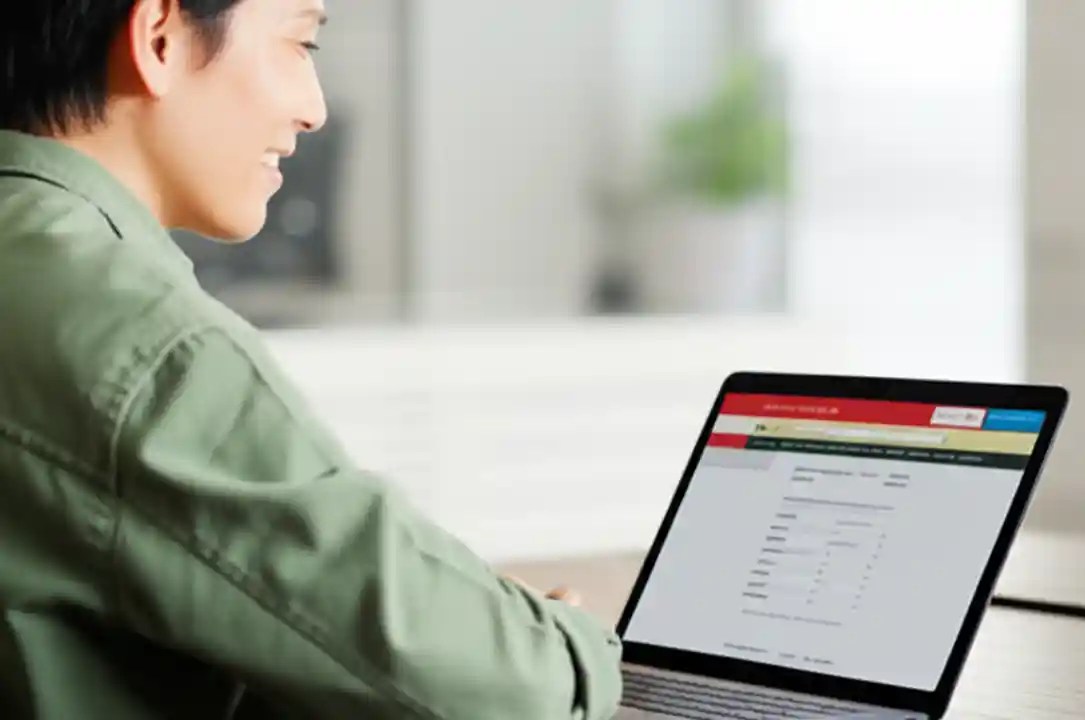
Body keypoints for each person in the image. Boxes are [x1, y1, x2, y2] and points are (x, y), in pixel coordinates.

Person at [0, 1, 623, 718]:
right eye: (299, 43)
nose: (314, 109)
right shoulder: (141, 346)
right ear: (160, 38)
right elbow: (518, 694)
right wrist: (558, 642)